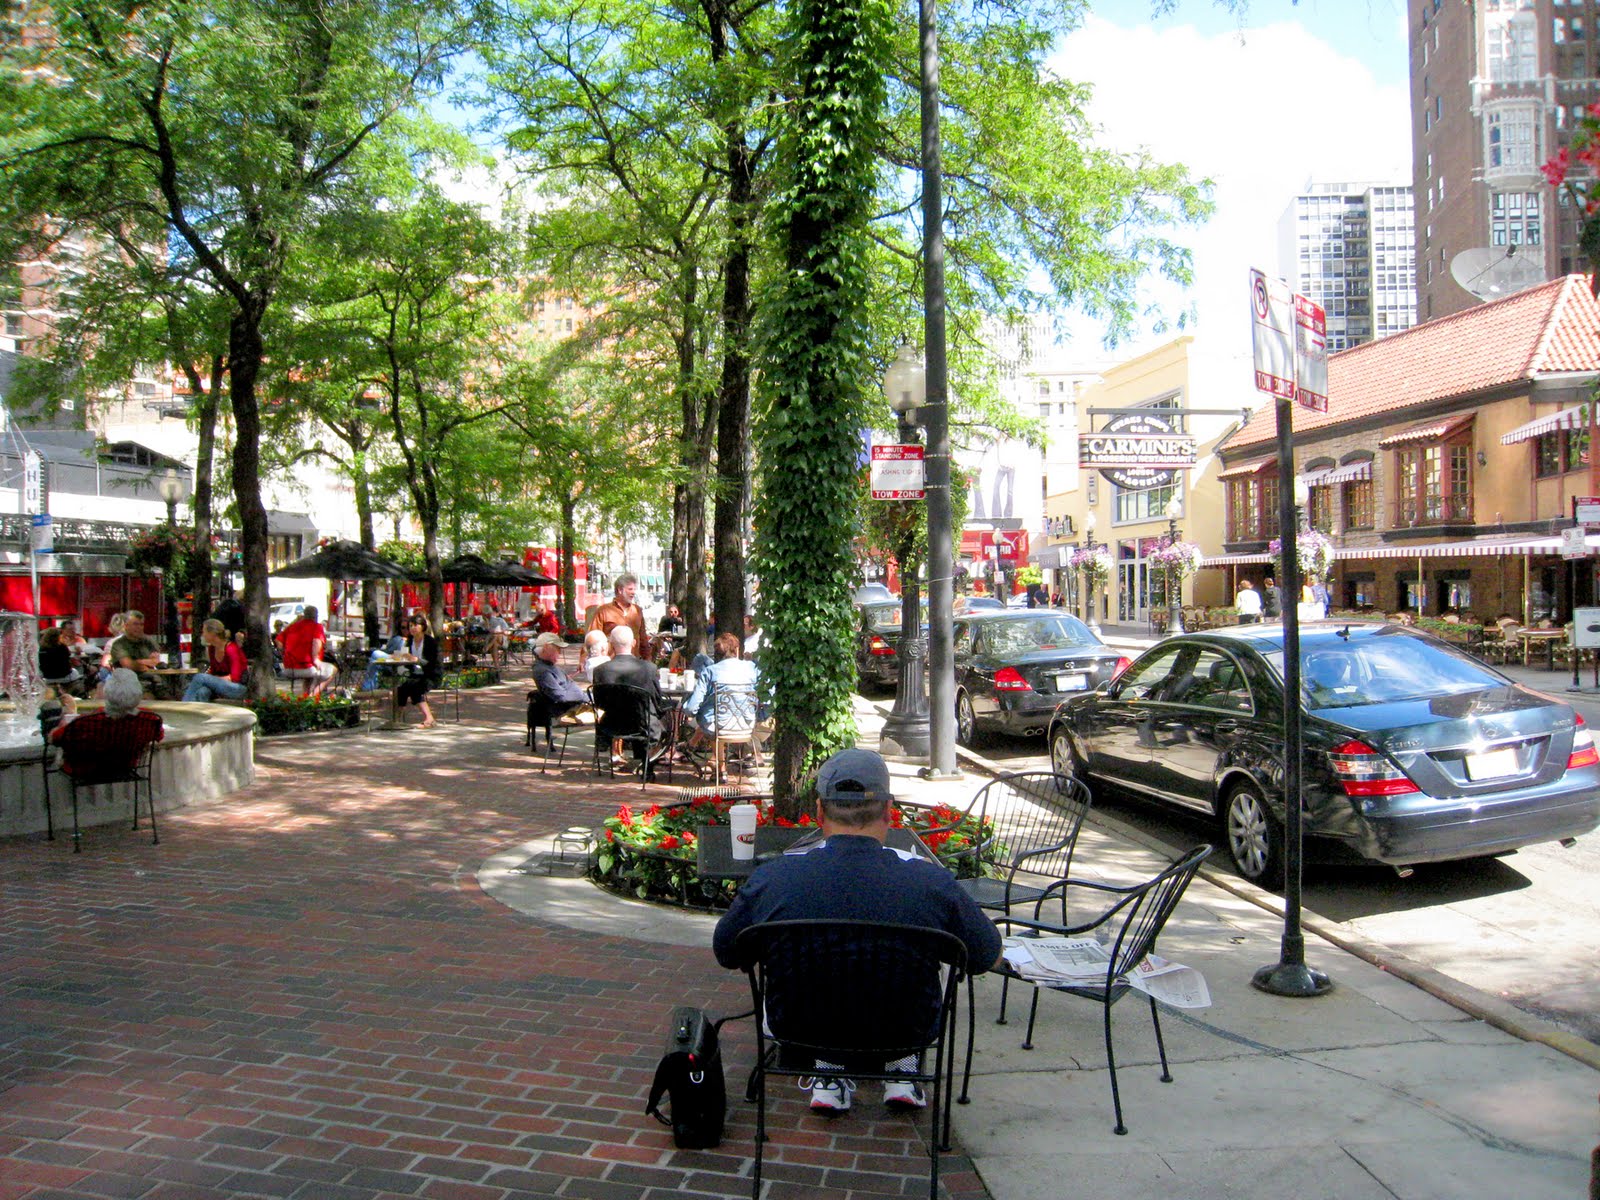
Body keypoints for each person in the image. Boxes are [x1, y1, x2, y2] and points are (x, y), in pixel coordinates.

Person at [712, 748, 1004, 1114]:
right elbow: (986, 955)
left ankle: (829, 1074)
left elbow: (727, 952)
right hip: (905, 1031)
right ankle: (902, 1071)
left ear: (819, 811)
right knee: (938, 958)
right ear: (888, 810)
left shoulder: (774, 878)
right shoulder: (930, 881)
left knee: (826, 976)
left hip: (798, 1030)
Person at [51, 668, 166, 781]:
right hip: (126, 767)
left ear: (108, 692)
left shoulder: (89, 721)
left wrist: (66, 718)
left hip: (84, 770)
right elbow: (159, 736)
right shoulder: (149, 718)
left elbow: (54, 738)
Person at [679, 632, 758, 761]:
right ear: (737, 650)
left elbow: (691, 709)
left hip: (718, 727)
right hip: (747, 725)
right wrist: (760, 716)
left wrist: (686, 705)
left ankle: (720, 768)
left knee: (712, 716)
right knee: (715, 713)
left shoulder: (710, 671)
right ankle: (717, 764)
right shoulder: (752, 668)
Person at [592, 625, 664, 766]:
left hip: (611, 725)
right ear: (634, 643)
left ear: (611, 645)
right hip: (643, 724)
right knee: (662, 717)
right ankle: (648, 764)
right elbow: (657, 699)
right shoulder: (648, 668)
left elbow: (598, 702)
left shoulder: (600, 670)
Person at [392, 613, 442, 728]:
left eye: (415, 625)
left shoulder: (430, 642)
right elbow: (407, 660)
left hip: (430, 675)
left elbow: (432, 662)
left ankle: (429, 718)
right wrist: (402, 658)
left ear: (423, 627)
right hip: (415, 675)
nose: (412, 628)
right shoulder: (409, 641)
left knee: (415, 688)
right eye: (410, 626)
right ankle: (397, 719)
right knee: (402, 688)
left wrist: (416, 659)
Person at [587, 572, 650, 660]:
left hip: (633, 663)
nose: (633, 592)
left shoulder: (637, 611)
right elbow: (592, 637)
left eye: (634, 589)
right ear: (620, 590)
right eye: (630, 589)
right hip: (610, 662)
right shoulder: (604, 611)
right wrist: (583, 659)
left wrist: (648, 659)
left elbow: (643, 638)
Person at [183, 619, 248, 703]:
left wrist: (210, 680)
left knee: (200, 677)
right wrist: (211, 680)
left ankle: (184, 705)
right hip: (220, 685)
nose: (202, 635)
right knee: (203, 691)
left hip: (237, 688)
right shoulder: (212, 649)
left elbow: (234, 678)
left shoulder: (231, 649)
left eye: (204, 632)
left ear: (212, 633)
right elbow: (213, 672)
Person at [529, 631, 587, 724]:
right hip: (567, 710)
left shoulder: (549, 667)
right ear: (546, 647)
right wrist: (582, 695)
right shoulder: (542, 670)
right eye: (558, 649)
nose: (560, 652)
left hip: (575, 704)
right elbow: (560, 696)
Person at [278, 605, 336, 697]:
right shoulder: (317, 627)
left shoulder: (292, 626)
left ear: (304, 615)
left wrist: (283, 654)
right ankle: (312, 696)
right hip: (307, 667)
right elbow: (317, 642)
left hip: (289, 668)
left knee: (309, 678)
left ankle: (306, 695)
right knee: (333, 670)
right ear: (316, 616)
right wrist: (316, 659)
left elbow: (278, 641)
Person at [108, 609, 163, 691]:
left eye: (141, 624)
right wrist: (147, 662)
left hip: (153, 681)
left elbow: (157, 661)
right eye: (135, 624)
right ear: (126, 626)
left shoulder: (149, 642)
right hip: (128, 685)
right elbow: (129, 665)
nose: (139, 628)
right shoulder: (119, 644)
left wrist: (139, 662)